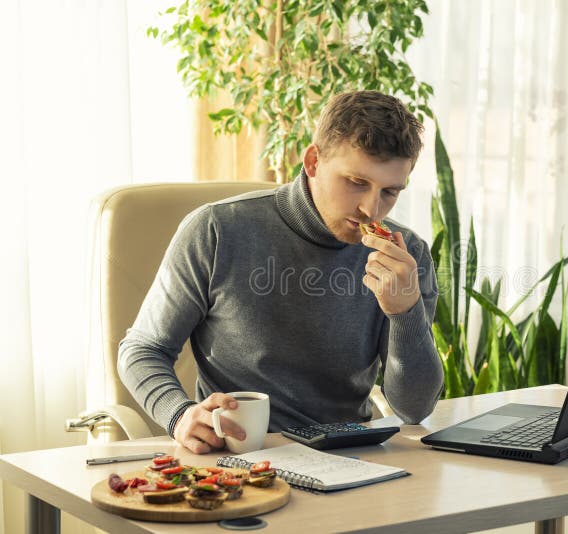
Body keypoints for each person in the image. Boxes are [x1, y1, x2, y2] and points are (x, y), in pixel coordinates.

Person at [118, 90, 444, 454]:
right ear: (313, 162)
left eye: (390, 192)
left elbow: (413, 408)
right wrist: (179, 416)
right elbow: (142, 349)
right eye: (356, 182)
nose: (371, 208)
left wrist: (405, 312)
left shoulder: (406, 255)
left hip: (351, 458)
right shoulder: (215, 230)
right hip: (240, 458)